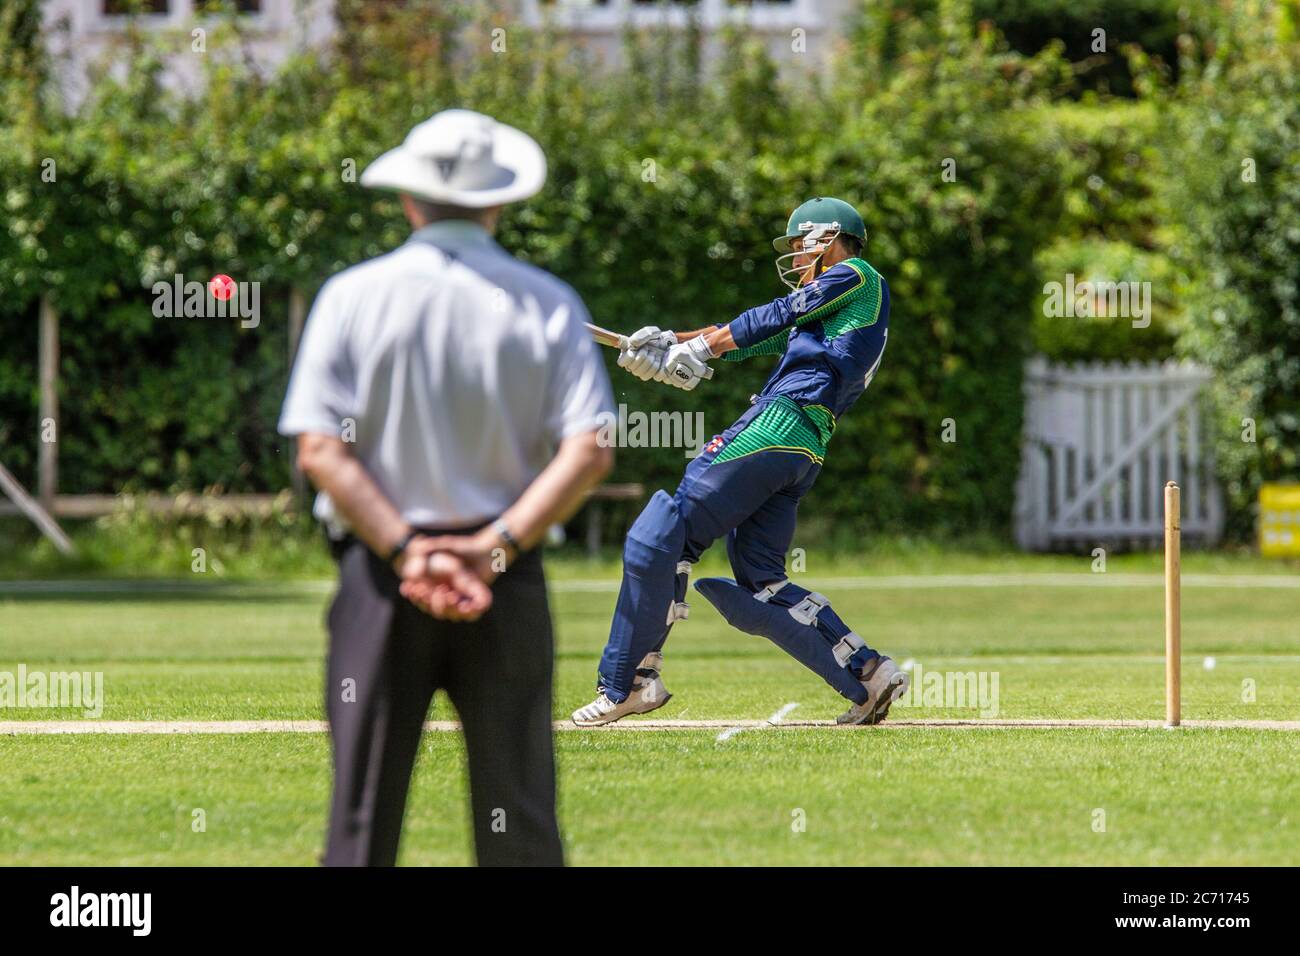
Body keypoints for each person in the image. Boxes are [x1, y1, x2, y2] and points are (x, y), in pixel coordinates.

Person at [279, 109, 614, 865]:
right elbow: (590, 450)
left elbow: (320, 451)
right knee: (520, 817)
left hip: (380, 575)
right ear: (498, 202)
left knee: (361, 819)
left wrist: (409, 553)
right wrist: (491, 549)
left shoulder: (351, 295)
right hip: (506, 577)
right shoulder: (548, 302)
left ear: (408, 199)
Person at [572, 197, 908, 727]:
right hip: (806, 444)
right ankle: (868, 674)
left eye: (800, 245)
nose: (796, 257)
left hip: (777, 423)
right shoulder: (829, 311)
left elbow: (777, 314)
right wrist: (669, 342)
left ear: (828, 238)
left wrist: (702, 351)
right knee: (762, 582)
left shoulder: (857, 275)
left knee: (667, 531)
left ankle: (629, 681)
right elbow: (752, 334)